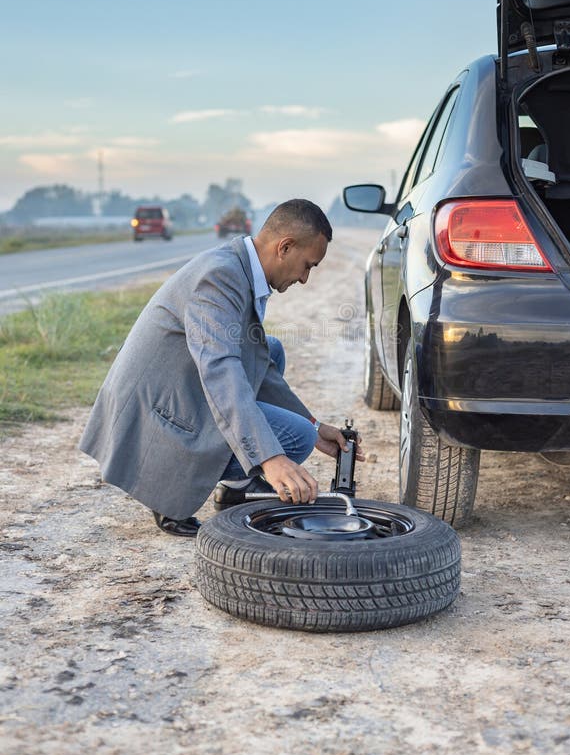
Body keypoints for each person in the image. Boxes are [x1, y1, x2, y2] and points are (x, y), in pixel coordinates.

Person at [79, 198, 364, 537]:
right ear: (284, 247)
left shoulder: (239, 268)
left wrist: (316, 425)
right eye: (307, 266)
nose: (304, 278)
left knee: (270, 351)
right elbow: (220, 370)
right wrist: (269, 458)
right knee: (294, 437)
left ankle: (238, 486)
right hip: (154, 417)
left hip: (176, 390)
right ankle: (171, 486)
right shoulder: (220, 277)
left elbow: (258, 363)